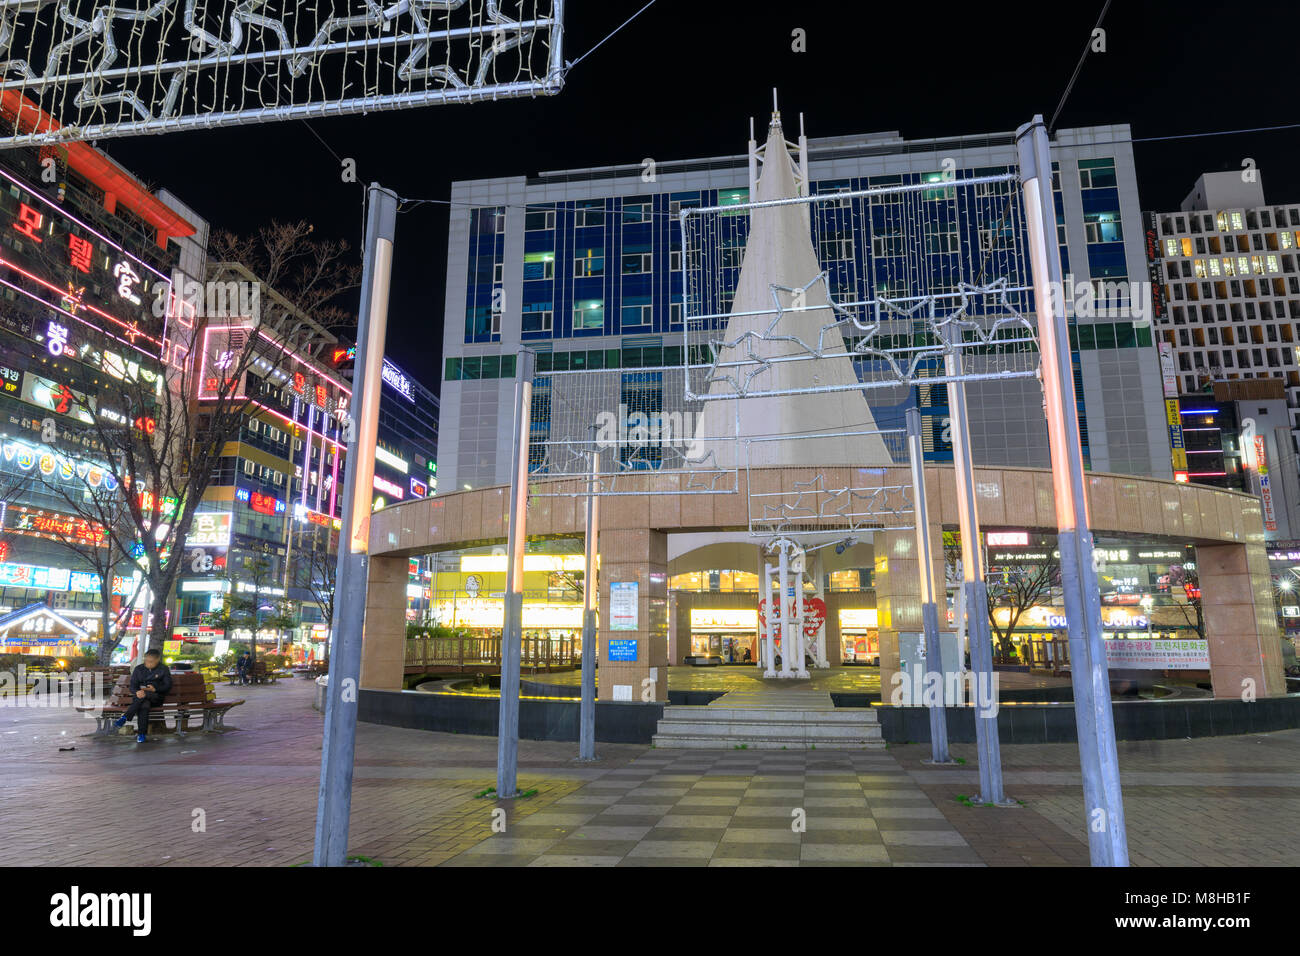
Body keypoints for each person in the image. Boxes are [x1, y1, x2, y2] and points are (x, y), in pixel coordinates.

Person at [113, 650, 173, 743]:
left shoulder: (163, 669)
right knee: (144, 705)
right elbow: (133, 685)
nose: (148, 664)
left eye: (151, 661)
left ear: (158, 660)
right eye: (147, 661)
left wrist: (155, 689)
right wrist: (137, 692)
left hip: (156, 697)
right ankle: (141, 734)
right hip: (140, 697)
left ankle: (125, 717)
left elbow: (167, 686)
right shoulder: (138, 669)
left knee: (144, 697)